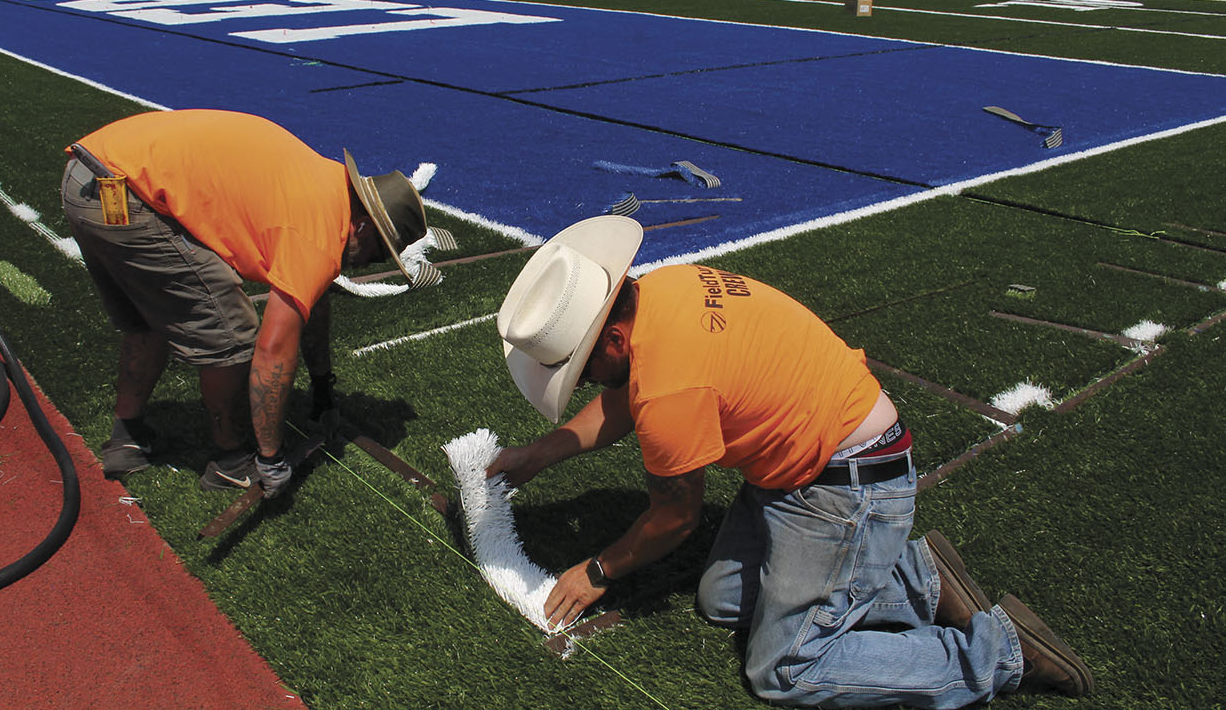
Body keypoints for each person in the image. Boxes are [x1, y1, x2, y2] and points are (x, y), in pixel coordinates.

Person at [487, 215, 1094, 707]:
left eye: (584, 369)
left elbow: (673, 519)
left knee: (784, 669)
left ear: (612, 340)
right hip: (804, 463)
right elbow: (625, 394)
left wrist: (594, 572)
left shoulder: (669, 390)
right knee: (722, 600)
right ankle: (919, 579)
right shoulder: (663, 290)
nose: (590, 384)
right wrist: (543, 453)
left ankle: (1002, 653)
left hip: (849, 483)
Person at [61, 108, 439, 498]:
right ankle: (231, 461)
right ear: (363, 225)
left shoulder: (327, 186)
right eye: (379, 253)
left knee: (150, 320)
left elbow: (314, 299)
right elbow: (273, 350)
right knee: (234, 335)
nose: (365, 264)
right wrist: (272, 456)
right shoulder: (319, 235)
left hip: (89, 178)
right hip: (131, 196)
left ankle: (127, 438)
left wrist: (323, 384)